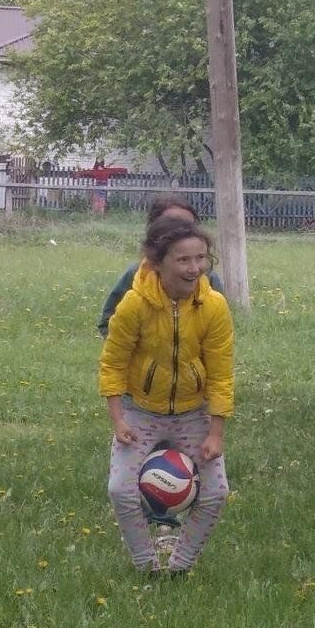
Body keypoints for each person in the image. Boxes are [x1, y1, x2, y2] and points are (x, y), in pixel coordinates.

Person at [99, 216, 233, 574]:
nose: (195, 269)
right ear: (158, 263)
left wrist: (216, 431)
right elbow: (112, 364)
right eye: (183, 260)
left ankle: (179, 566)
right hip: (139, 412)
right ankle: (146, 565)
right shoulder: (133, 305)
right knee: (120, 489)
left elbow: (221, 372)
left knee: (216, 493)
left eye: (201, 259)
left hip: (194, 413)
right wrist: (118, 420)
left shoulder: (215, 306)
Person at [97, 194, 224, 338]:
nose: (182, 234)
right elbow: (108, 323)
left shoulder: (207, 278)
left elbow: (220, 332)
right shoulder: (136, 276)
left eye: (189, 226)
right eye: (173, 227)